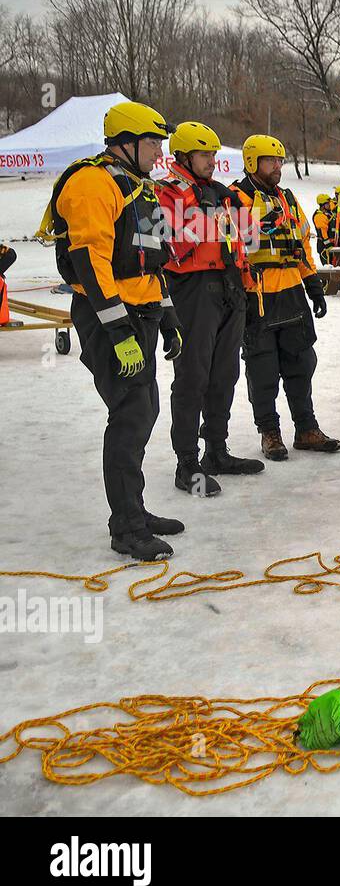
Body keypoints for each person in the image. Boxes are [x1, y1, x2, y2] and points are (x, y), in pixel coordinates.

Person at [43, 100, 184, 558]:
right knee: (129, 416)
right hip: (109, 317)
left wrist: (168, 316)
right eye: (153, 143)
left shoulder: (142, 190)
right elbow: (91, 263)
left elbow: (152, 262)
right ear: (126, 143)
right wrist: (118, 330)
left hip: (140, 313)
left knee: (145, 410)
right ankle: (126, 527)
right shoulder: (91, 183)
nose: (159, 153)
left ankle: (134, 510)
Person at [157, 120, 263, 498]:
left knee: (224, 374)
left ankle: (216, 450)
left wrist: (244, 281)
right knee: (192, 377)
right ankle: (187, 463)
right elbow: (170, 240)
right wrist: (215, 220)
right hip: (191, 289)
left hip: (229, 286)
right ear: (183, 156)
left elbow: (248, 235)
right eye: (204, 155)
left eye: (215, 155)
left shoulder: (221, 192)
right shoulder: (165, 192)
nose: (211, 162)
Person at [231, 134, 340, 461]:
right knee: (263, 369)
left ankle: (306, 428)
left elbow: (302, 245)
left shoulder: (288, 199)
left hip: (292, 292)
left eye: (280, 161)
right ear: (252, 162)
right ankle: (269, 432)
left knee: (301, 363)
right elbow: (232, 247)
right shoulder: (237, 199)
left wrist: (313, 286)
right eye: (270, 161)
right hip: (258, 294)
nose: (277, 166)